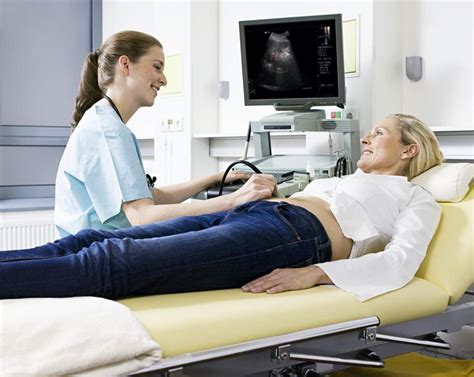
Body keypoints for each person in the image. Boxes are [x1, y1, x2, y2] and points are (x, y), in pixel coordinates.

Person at [0, 114, 444, 301]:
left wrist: (316, 273)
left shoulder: (417, 197)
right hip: (261, 215)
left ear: (409, 151)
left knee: (114, 262)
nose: (366, 139)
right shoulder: (352, 177)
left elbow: (402, 262)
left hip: (293, 238)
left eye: (379, 133)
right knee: (95, 238)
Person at [54, 30, 277, 237]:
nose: (164, 79)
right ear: (125, 65)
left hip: (96, 247)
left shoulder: (104, 121)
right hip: (92, 255)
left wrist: (213, 178)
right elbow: (142, 216)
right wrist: (234, 199)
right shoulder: (109, 132)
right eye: (157, 67)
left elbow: (152, 197)